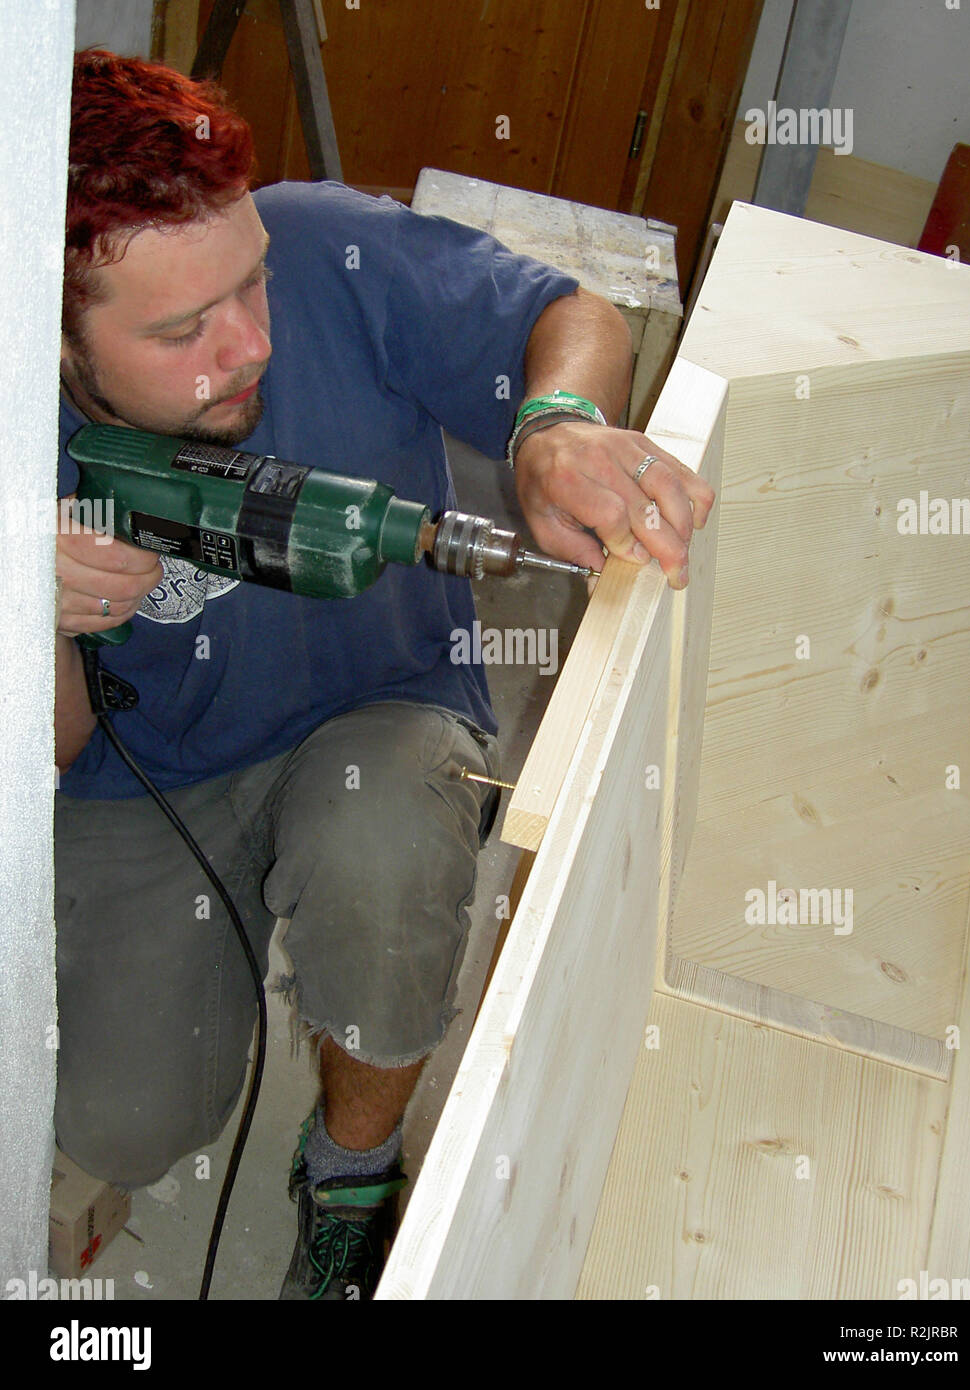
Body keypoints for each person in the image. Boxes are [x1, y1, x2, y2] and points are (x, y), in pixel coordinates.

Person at [55, 49, 715, 1300]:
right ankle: (226, 935)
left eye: (247, 284)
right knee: (129, 1122)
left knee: (386, 857)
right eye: (182, 329)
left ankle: (351, 1176)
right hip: (150, 779)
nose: (247, 345)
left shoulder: (326, 246)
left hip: (379, 702)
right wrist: (29, 618)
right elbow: (49, 745)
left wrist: (553, 423)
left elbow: (570, 315)